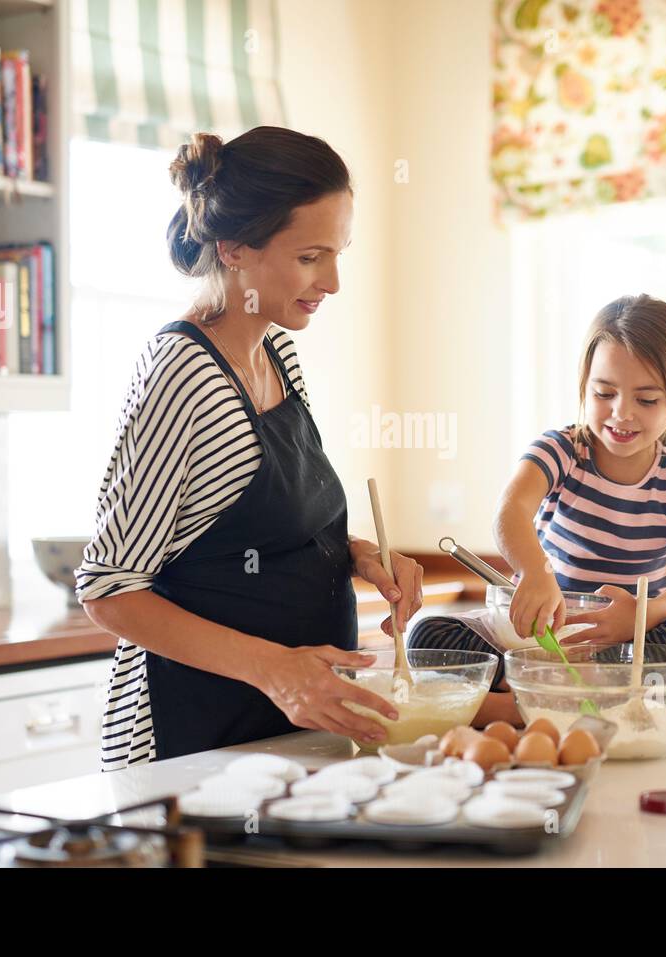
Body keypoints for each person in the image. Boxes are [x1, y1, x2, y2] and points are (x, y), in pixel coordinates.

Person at [78, 126, 424, 768]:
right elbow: (108, 588)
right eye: (311, 256)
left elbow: (255, 533)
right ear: (235, 249)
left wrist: (359, 555)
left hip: (286, 734)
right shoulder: (181, 373)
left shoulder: (278, 352)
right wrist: (277, 672)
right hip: (193, 741)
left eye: (339, 253)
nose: (334, 281)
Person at [409, 294, 666, 726]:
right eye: (604, 393)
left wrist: (637, 617)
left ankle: (540, 699)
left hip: (626, 643)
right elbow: (510, 510)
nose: (622, 413)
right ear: (585, 388)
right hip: (539, 639)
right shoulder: (563, 450)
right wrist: (537, 574)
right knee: (429, 634)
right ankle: (565, 697)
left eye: (647, 400)